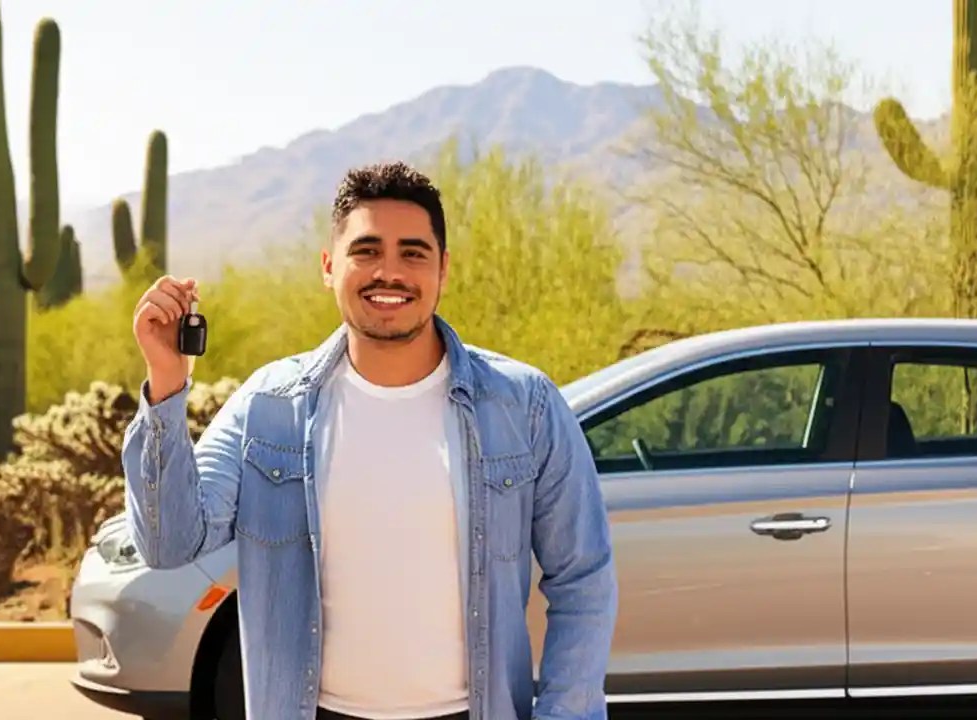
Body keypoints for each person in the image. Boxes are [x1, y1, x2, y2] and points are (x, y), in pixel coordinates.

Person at [122, 160, 617, 720]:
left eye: (413, 253)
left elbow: (583, 578)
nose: (389, 272)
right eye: (366, 250)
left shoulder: (524, 405)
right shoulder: (267, 406)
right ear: (329, 266)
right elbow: (168, 544)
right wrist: (167, 382)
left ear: (443, 269)